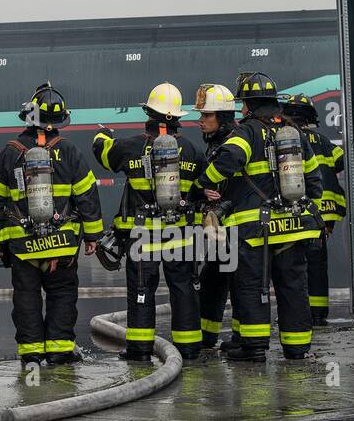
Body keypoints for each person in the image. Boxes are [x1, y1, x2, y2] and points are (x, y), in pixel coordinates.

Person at [0, 83, 103, 367]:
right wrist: (92, 236)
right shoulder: (70, 151)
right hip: (61, 245)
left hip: (23, 245)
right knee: (61, 294)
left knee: (26, 296)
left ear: (28, 116)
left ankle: (31, 352)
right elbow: (87, 195)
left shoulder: (10, 153)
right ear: (60, 121)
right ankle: (60, 350)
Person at [199, 71, 321, 361]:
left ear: (249, 105)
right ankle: (297, 347)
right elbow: (313, 176)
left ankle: (253, 348)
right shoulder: (292, 132)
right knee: (293, 286)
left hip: (255, 228)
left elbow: (227, 162)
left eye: (243, 105)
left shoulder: (248, 131)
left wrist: (207, 181)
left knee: (252, 287)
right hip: (292, 224)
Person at [92, 83, 205, 360]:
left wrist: (102, 134)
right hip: (182, 235)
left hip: (142, 237)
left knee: (142, 290)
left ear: (149, 114)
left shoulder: (131, 147)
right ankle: (189, 349)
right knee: (183, 289)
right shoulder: (192, 151)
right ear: (177, 117)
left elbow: (102, 151)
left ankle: (140, 350)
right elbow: (202, 191)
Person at [281, 92, 346, 326]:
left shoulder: (287, 140)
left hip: (300, 213)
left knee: (296, 266)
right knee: (318, 265)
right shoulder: (324, 141)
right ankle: (319, 314)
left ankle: (302, 314)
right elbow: (340, 162)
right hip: (325, 216)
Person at [191, 83, 241, 351]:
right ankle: (208, 336)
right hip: (220, 227)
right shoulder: (216, 143)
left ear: (222, 117)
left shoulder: (233, 143)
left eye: (206, 116)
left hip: (236, 226)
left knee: (237, 281)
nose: (200, 121)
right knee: (214, 278)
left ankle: (241, 339)